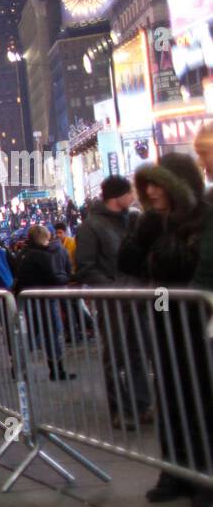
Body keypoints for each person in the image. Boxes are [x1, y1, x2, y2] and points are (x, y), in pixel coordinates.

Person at [118, 163, 212, 507]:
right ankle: (175, 470)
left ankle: (205, 473)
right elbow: (127, 261)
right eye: (148, 187)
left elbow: (202, 269)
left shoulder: (205, 218)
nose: (152, 193)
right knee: (170, 394)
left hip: (197, 319)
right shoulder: (153, 222)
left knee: (200, 397)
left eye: (158, 186)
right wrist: (141, 232)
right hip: (165, 318)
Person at [74, 175, 151, 429]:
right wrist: (112, 287)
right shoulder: (91, 226)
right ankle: (121, 410)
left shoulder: (135, 220)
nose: (134, 196)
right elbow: (85, 266)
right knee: (116, 354)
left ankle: (142, 404)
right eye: (129, 192)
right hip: (113, 299)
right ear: (116, 196)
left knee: (139, 350)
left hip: (138, 297)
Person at [14, 224, 76, 381]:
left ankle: (17, 367)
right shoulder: (42, 256)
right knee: (52, 335)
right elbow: (53, 278)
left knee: (29, 335)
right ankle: (57, 370)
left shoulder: (23, 254)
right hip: (44, 300)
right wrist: (66, 277)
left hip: (27, 300)